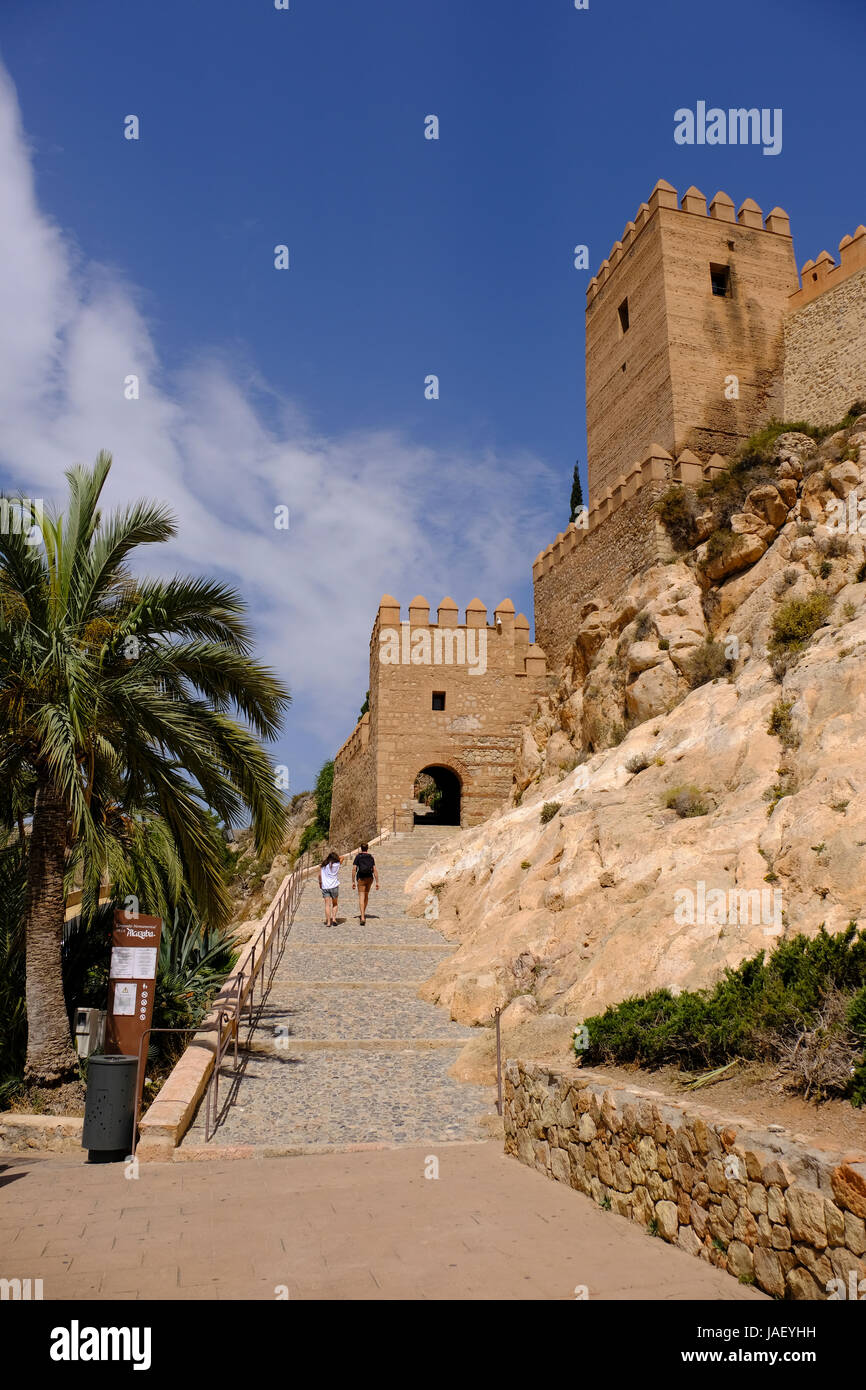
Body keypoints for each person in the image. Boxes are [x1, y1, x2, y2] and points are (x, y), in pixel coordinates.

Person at [352, 843, 379, 925]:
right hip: (370, 878)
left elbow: (354, 869)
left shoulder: (358, 857)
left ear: (361, 848)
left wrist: (353, 881)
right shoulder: (371, 857)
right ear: (367, 848)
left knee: (361, 896)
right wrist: (377, 881)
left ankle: (362, 916)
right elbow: (374, 869)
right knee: (366, 895)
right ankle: (364, 911)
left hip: (361, 878)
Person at [318, 850, 342, 926]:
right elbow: (342, 857)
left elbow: (319, 876)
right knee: (335, 903)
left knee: (327, 905)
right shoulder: (337, 864)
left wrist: (320, 883)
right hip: (334, 886)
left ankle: (328, 922)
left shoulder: (323, 866)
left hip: (325, 887)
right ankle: (334, 919)